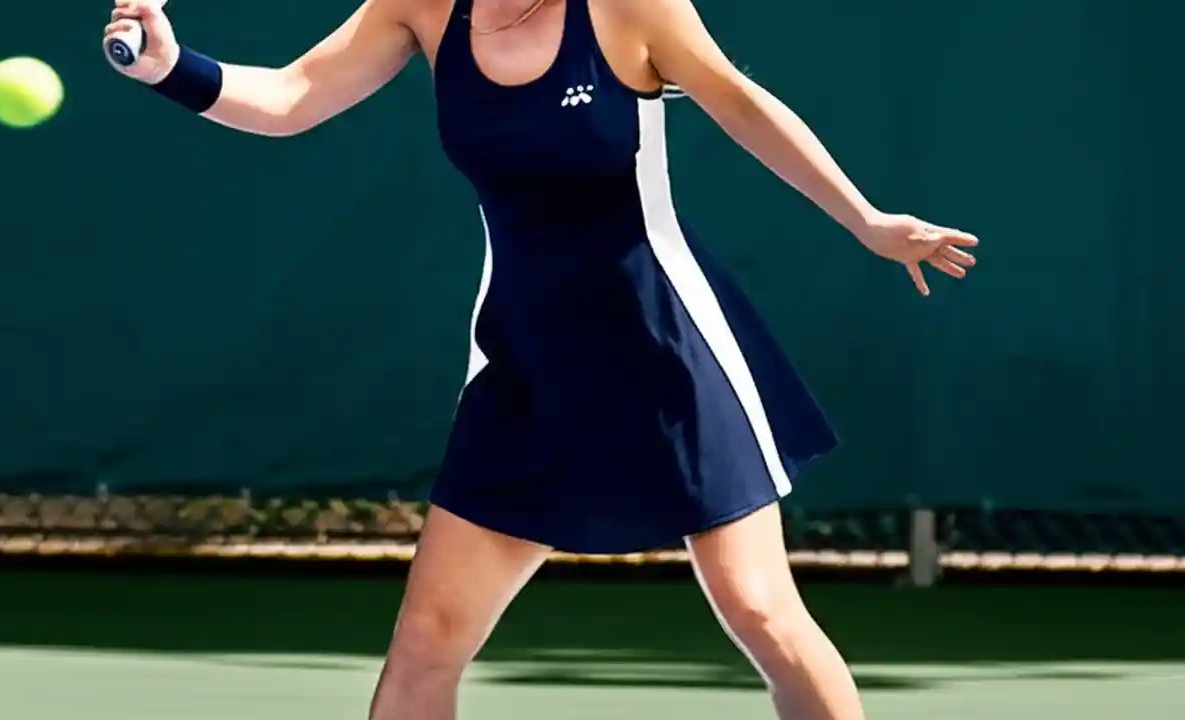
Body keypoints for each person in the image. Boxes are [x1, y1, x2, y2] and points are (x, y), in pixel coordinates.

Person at [104, 0, 977, 717]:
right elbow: (293, 97)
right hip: (527, 368)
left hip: (670, 353)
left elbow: (743, 104)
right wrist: (169, 69)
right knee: (425, 644)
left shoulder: (633, 8)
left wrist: (866, 219)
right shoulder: (421, 10)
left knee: (761, 612)